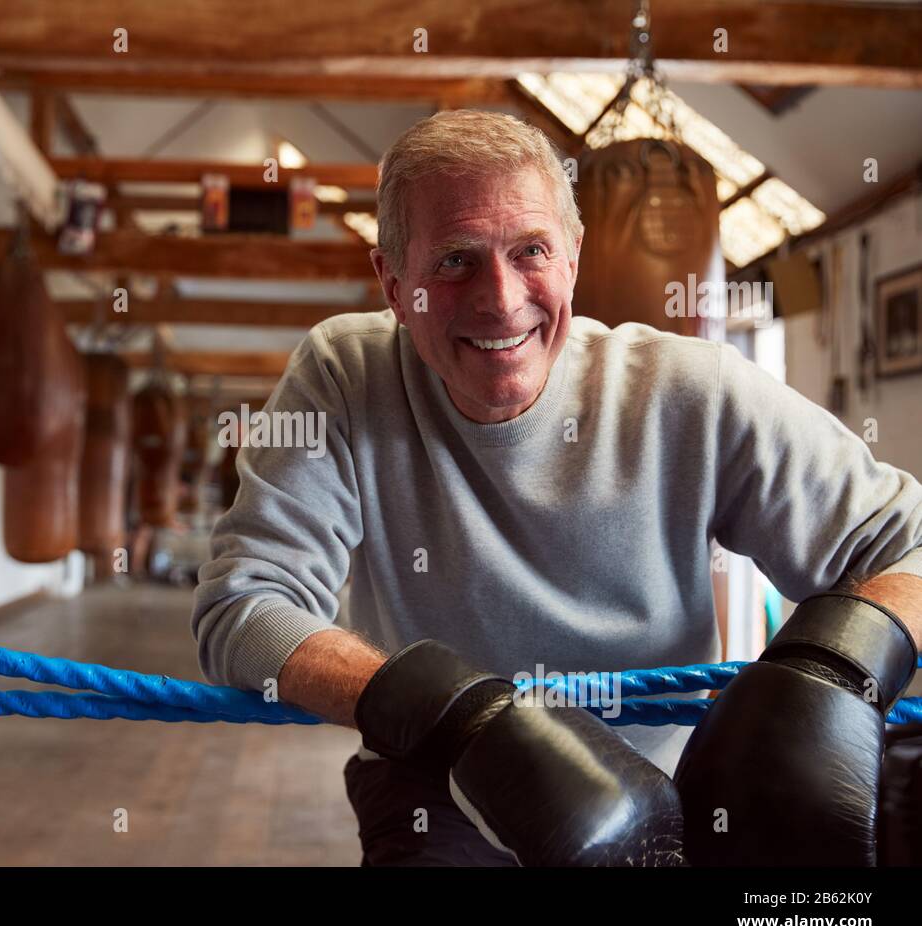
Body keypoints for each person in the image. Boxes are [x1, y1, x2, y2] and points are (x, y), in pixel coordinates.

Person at [191, 110, 922, 866]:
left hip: (661, 788)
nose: (501, 300)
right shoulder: (347, 375)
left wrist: (835, 668)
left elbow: (912, 546)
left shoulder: (689, 392)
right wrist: (458, 716)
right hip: (438, 792)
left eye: (530, 250)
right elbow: (244, 606)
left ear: (573, 254)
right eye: (454, 261)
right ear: (392, 280)